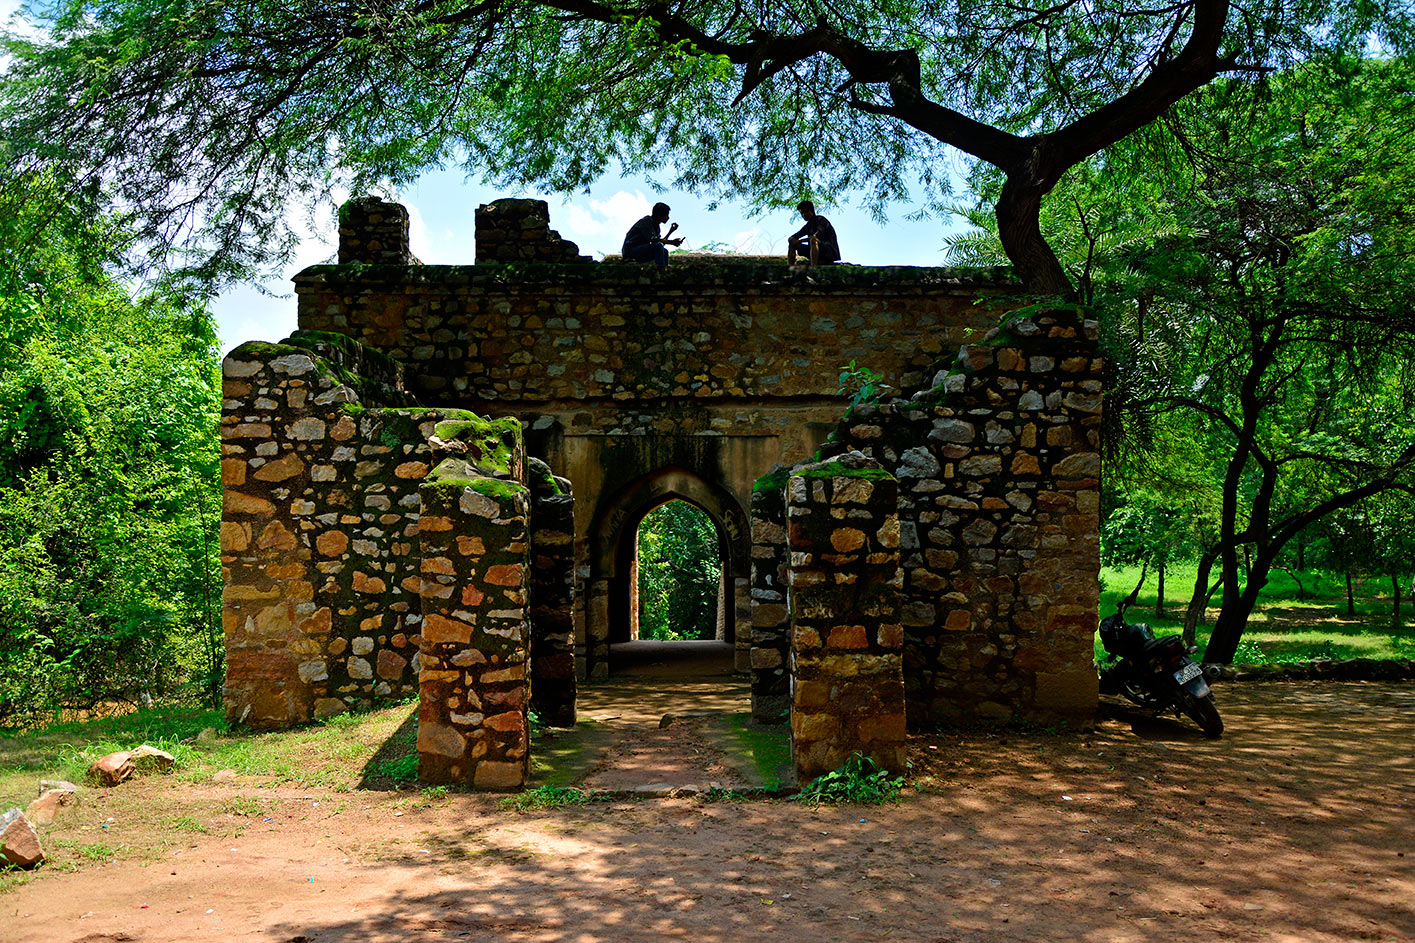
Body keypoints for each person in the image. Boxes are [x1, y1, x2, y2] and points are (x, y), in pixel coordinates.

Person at [622, 202, 683, 267]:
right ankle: (660, 270)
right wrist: (672, 242)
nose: (668, 217)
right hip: (630, 251)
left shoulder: (656, 226)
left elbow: (660, 243)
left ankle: (664, 271)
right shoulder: (646, 221)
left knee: (664, 251)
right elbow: (656, 241)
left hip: (640, 250)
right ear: (660, 215)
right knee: (659, 247)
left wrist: (670, 231)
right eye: (666, 215)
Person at [786, 200, 841, 266]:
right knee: (792, 242)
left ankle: (813, 267)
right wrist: (792, 240)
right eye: (802, 213)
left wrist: (799, 241)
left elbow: (815, 236)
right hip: (813, 250)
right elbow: (794, 236)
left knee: (813, 240)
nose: (804, 215)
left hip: (828, 251)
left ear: (812, 211)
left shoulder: (821, 220)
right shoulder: (808, 225)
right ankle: (790, 266)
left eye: (806, 211)